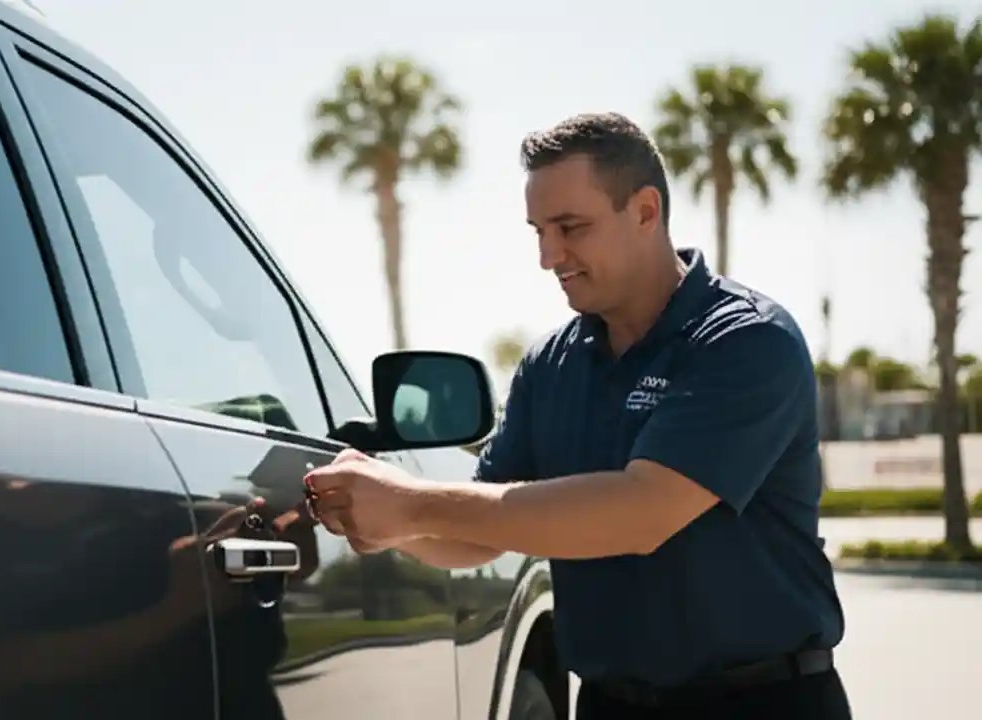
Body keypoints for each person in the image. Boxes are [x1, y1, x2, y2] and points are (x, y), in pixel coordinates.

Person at [305, 112, 851, 719]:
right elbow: (479, 530)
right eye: (539, 230)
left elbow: (642, 512)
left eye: (570, 227)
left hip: (763, 704)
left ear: (646, 211)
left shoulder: (744, 340)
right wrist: (368, 512)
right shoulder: (551, 362)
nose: (548, 256)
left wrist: (411, 504)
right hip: (607, 705)